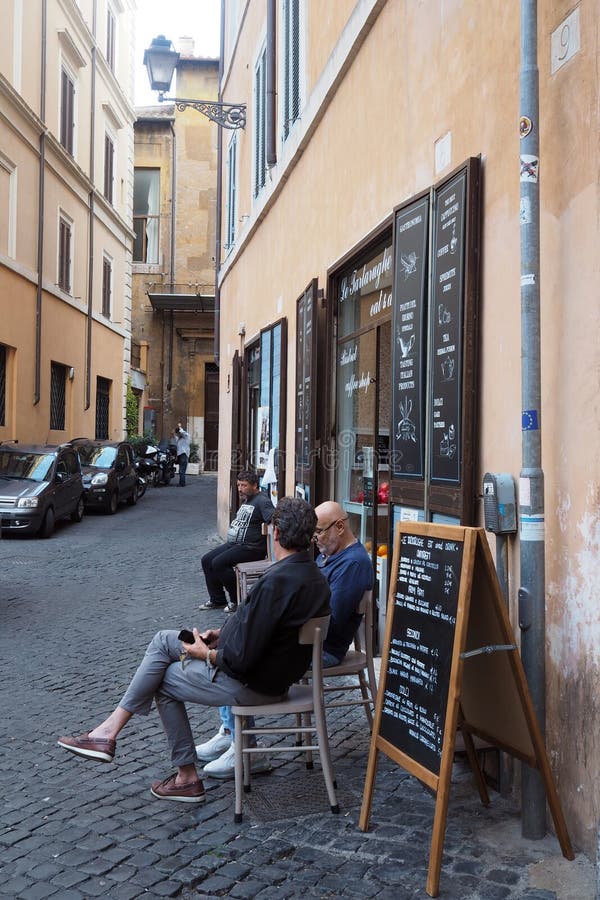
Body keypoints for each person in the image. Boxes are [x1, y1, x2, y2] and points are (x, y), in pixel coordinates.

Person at [57, 497, 330, 804]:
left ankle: (182, 775)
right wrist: (222, 634)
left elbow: (240, 660)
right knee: (163, 641)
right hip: (274, 678)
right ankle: (109, 732)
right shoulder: (315, 577)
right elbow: (267, 631)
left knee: (162, 680)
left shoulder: (276, 582)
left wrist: (206, 654)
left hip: (253, 685)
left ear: (275, 532)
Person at [196, 499, 374, 780]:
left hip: (322, 649)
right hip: (307, 642)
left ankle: (244, 744)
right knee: (243, 637)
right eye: (313, 534)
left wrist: (278, 625)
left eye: (319, 532)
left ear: (340, 527)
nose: (315, 539)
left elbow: (332, 619)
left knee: (247, 650)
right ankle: (231, 731)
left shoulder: (352, 563)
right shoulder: (330, 556)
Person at [199, 471, 274, 613]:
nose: (240, 489)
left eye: (244, 485)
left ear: (254, 485)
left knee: (219, 563)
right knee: (207, 560)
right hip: (236, 544)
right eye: (239, 485)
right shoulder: (248, 499)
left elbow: (273, 519)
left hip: (252, 548)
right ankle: (217, 599)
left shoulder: (262, 501)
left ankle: (236, 600)